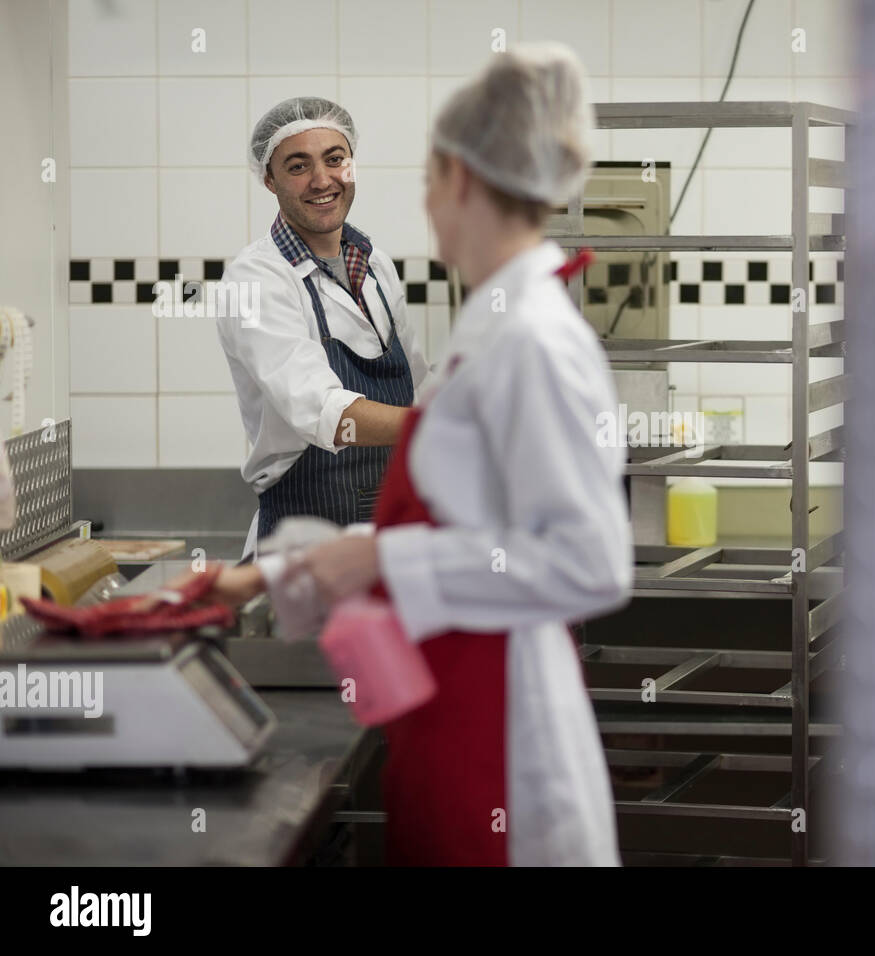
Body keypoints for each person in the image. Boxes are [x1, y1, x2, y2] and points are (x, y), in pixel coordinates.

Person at [201, 45, 631, 865]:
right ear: (271, 179)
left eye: (432, 182)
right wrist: (299, 572)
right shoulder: (497, 322)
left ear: (464, 182)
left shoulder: (530, 336)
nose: (426, 204)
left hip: (500, 718)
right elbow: (337, 420)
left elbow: (588, 562)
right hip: (448, 677)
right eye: (300, 165)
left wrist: (381, 566)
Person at [218, 97, 434, 557]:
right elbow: (324, 413)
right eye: (298, 166)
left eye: (335, 160)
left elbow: (416, 382)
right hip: (304, 546)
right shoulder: (255, 279)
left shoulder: (375, 264)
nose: (322, 180)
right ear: (270, 179)